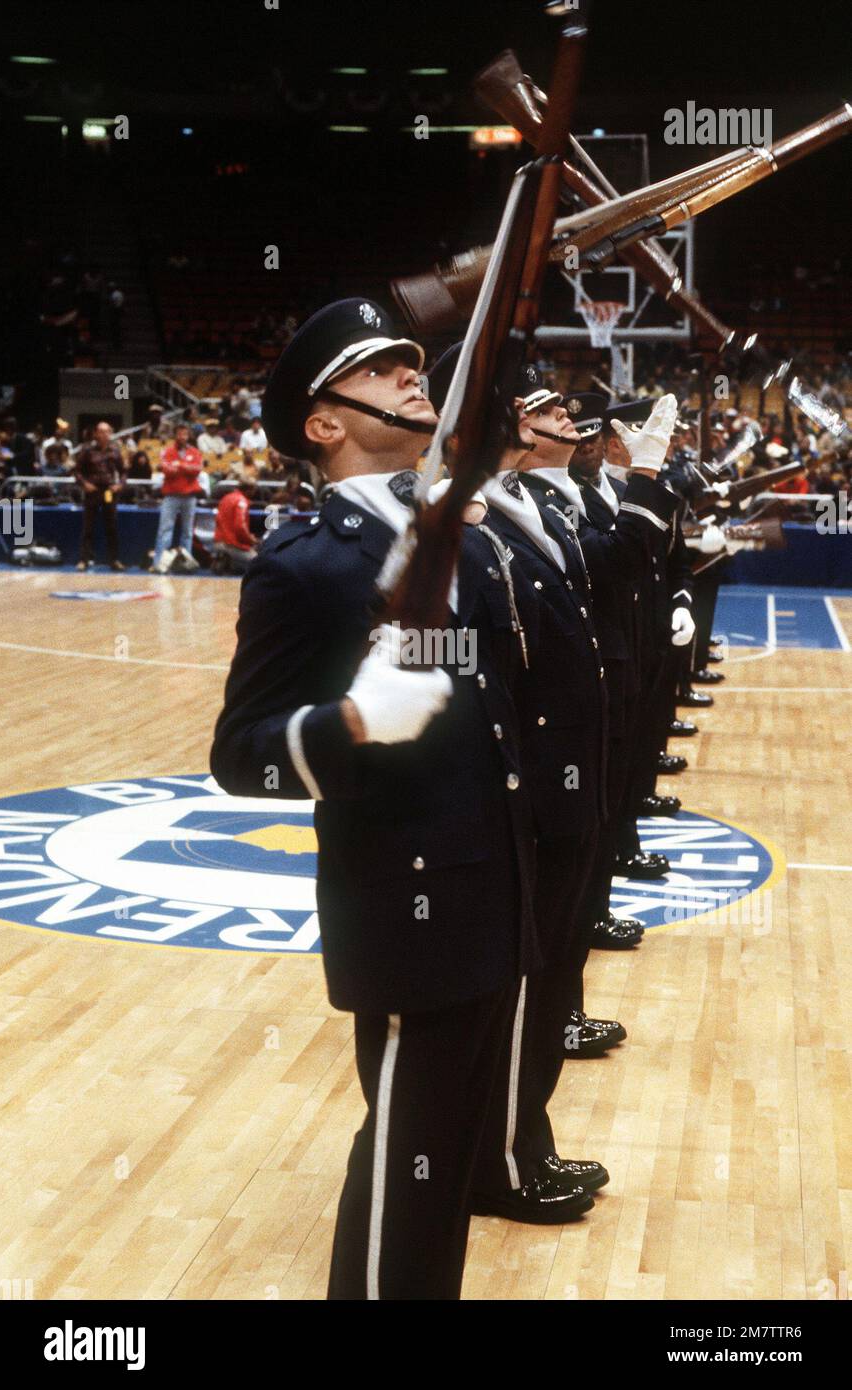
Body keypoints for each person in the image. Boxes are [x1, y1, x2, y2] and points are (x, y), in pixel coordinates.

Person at [211, 299, 554, 1299]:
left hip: (497, 891)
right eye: (382, 367)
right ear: (323, 422)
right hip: (409, 913)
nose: (414, 374)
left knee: (442, 1168)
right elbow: (241, 757)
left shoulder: (460, 535)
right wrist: (351, 724)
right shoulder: (306, 564)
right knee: (405, 1169)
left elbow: (478, 682)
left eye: (415, 361)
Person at [74, 421, 126, 571]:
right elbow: (77, 472)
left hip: (109, 491)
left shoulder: (115, 451)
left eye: (107, 431)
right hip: (93, 491)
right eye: (101, 432)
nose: (104, 435)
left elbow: (123, 472)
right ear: (96, 433)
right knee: (88, 527)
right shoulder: (87, 450)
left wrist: (120, 485)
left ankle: (114, 560)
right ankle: (84, 559)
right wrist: (85, 484)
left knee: (111, 526)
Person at [151, 423, 202, 572]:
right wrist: (186, 467)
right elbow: (167, 470)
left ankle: (186, 565)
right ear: (175, 435)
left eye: (185, 434)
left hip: (190, 497)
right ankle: (159, 564)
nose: (182, 437)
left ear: (188, 436)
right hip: (171, 496)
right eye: (180, 434)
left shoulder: (195, 452)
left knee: (187, 532)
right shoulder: (167, 451)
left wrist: (179, 464)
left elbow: (197, 470)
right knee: (165, 530)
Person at [213, 480, 259, 572]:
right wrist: (251, 540)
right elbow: (240, 527)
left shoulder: (226, 498)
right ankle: (231, 563)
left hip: (218, 541)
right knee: (258, 562)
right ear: (249, 490)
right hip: (231, 544)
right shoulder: (242, 502)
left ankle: (228, 560)